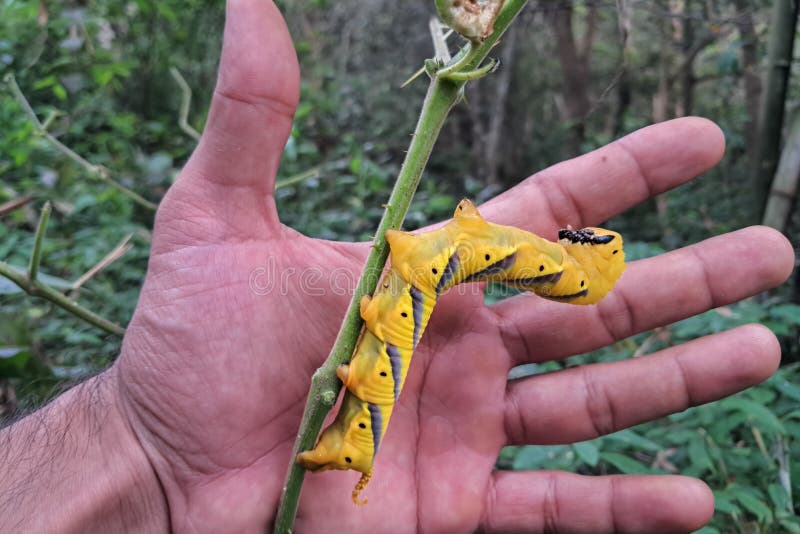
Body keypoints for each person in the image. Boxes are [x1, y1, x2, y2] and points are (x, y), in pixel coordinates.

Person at [0, 1, 793, 532]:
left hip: (378, 375)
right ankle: (349, 442)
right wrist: (143, 450)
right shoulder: (497, 256)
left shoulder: (478, 254)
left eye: (581, 250)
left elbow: (456, 256)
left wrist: (137, 461)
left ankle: (353, 442)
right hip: (402, 323)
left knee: (419, 282)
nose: (580, 239)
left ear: (569, 262)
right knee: (423, 276)